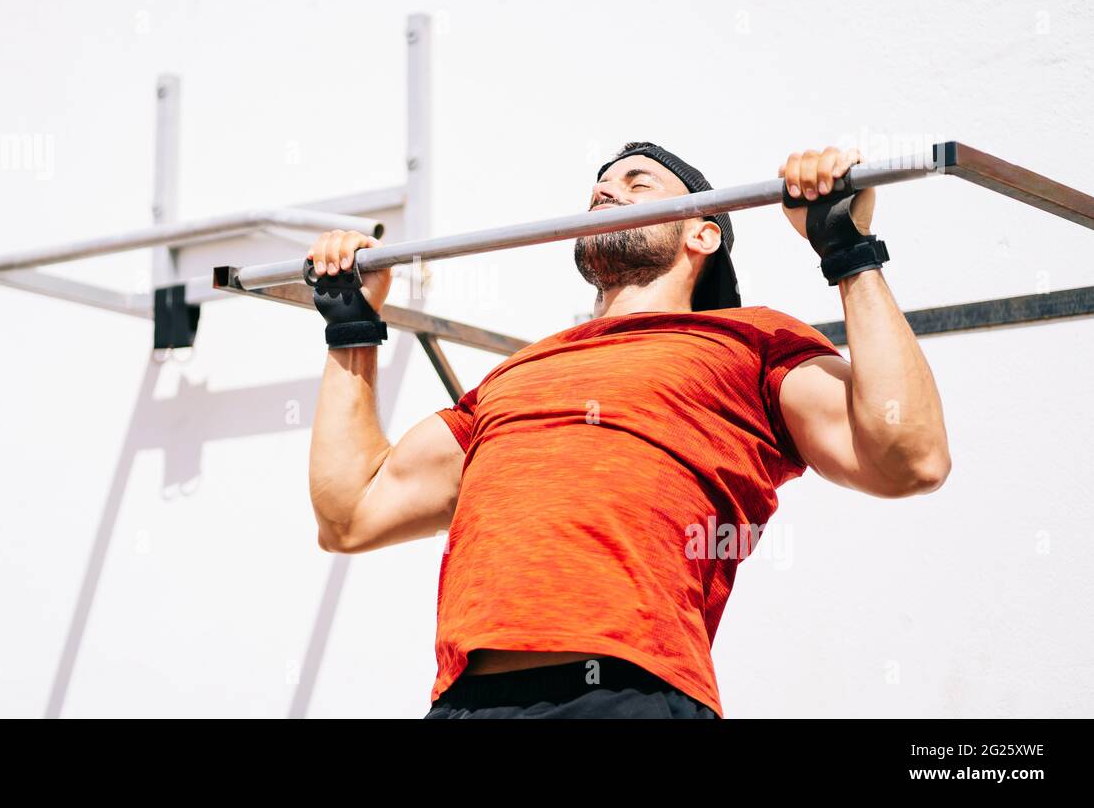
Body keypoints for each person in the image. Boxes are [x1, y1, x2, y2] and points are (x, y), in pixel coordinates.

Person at [305, 143, 951, 719]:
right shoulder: (513, 377)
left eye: (637, 183)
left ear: (704, 235)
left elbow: (909, 454)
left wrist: (848, 249)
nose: (606, 193)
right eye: (599, 189)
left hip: (628, 693)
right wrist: (351, 324)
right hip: (466, 703)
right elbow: (350, 512)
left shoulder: (750, 342)